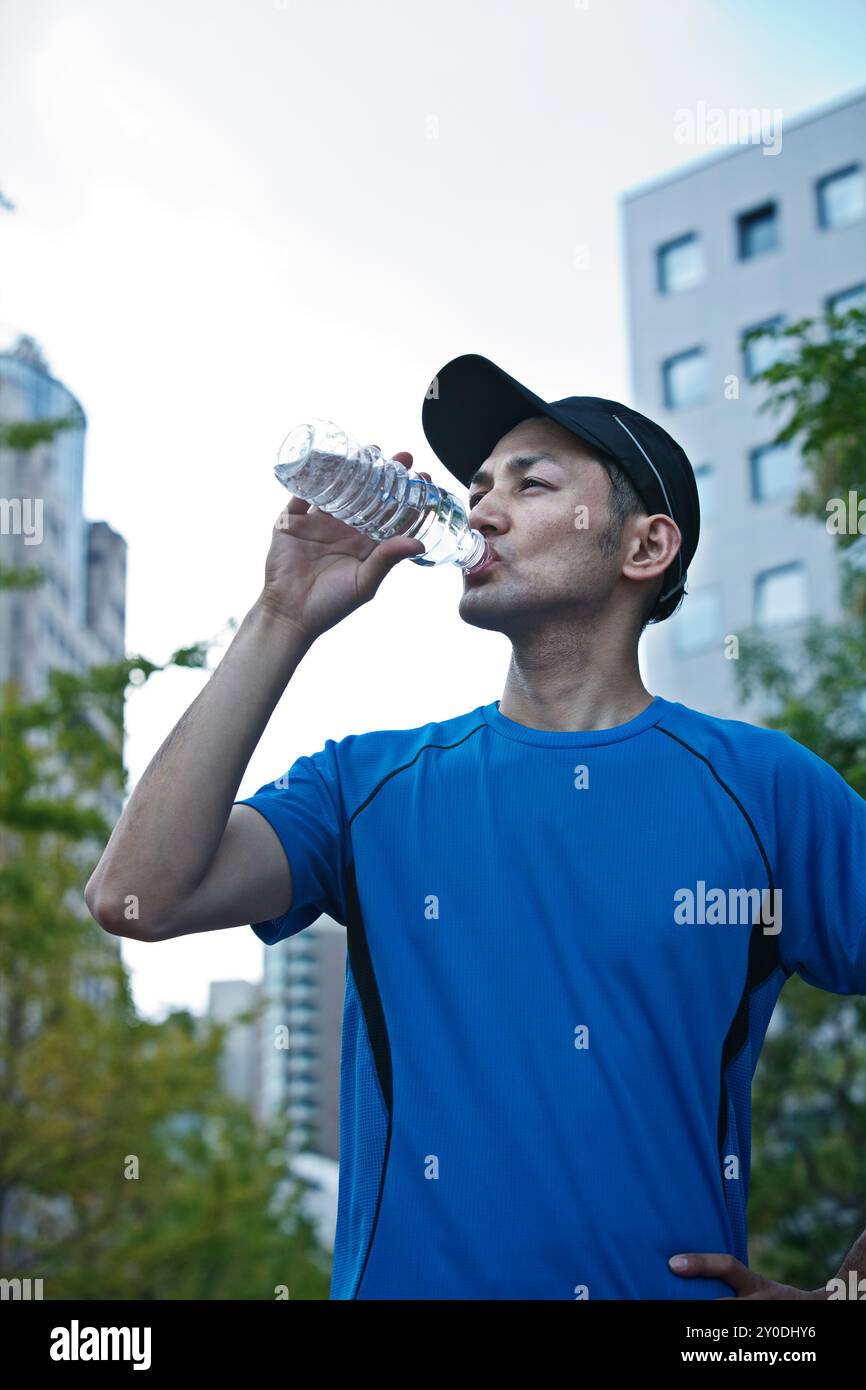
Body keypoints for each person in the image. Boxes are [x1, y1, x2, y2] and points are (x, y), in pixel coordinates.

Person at [85, 352, 866, 1301]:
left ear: (644, 548)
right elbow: (135, 897)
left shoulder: (766, 791)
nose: (480, 511)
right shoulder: (366, 786)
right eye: (476, 487)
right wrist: (283, 615)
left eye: (530, 484)